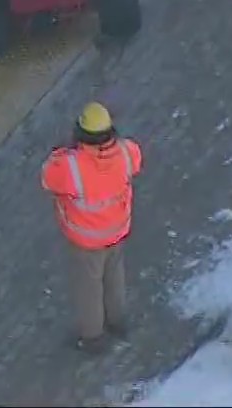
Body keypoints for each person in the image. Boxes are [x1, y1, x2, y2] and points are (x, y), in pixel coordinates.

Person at [41, 102, 144, 353]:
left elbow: (47, 178)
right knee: (114, 276)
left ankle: (93, 337)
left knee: (89, 288)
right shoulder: (127, 151)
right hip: (117, 231)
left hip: (86, 241)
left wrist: (61, 151)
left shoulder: (70, 166)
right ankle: (118, 322)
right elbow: (136, 161)